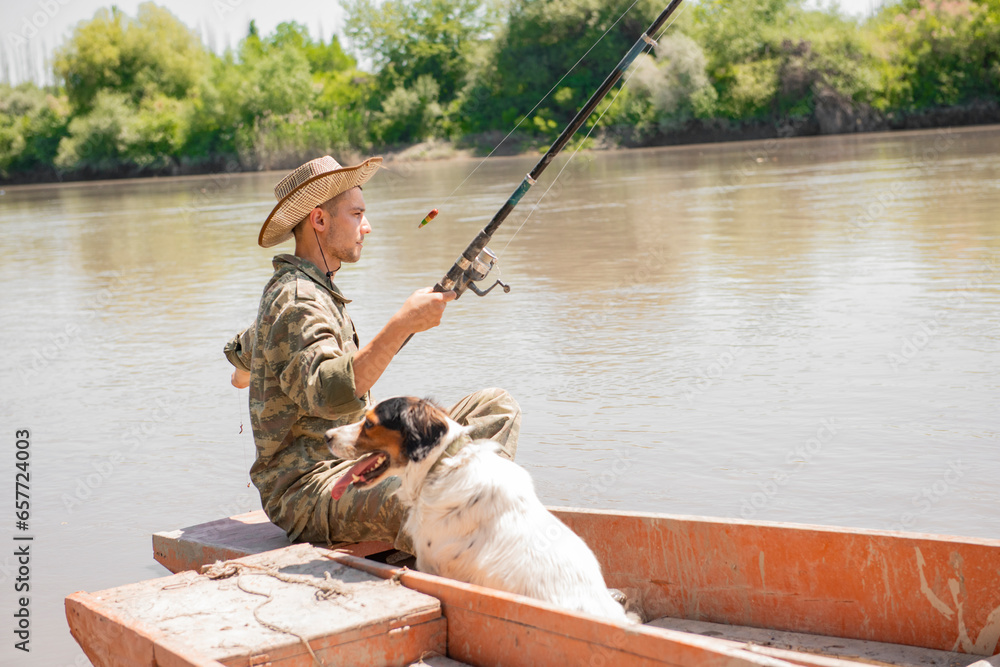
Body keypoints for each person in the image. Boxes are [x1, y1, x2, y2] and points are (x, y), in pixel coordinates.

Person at [224, 155, 521, 552]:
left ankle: (464, 503)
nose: (367, 226)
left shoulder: (309, 289)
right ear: (319, 220)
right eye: (357, 213)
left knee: (495, 408)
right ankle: (471, 534)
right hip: (312, 487)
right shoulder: (297, 298)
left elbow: (247, 344)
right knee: (421, 497)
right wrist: (402, 324)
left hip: (361, 454)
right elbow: (331, 394)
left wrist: (245, 371)